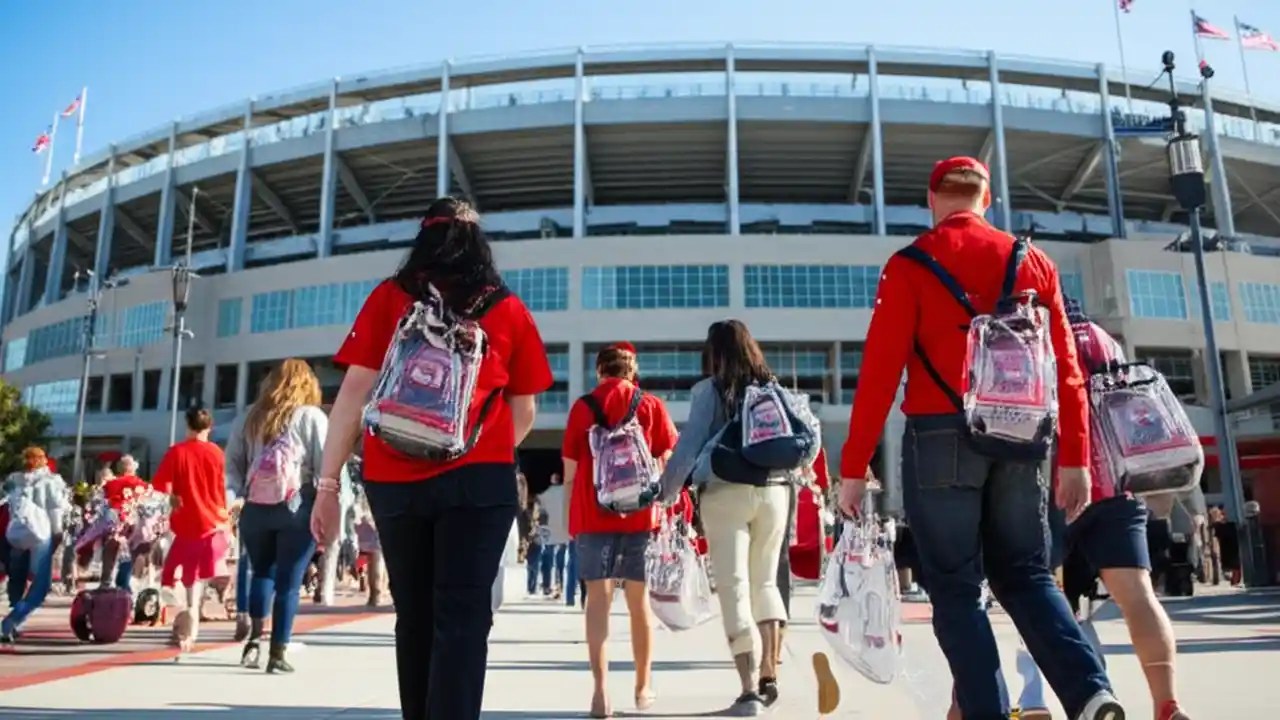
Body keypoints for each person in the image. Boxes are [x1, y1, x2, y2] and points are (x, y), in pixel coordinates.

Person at [838, 157, 1120, 720]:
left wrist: (853, 467)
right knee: (1027, 574)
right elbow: (1066, 367)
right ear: (987, 200)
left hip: (939, 435)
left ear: (932, 199)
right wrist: (1076, 460)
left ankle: (989, 712)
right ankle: (1091, 694)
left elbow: (879, 372)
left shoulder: (910, 265)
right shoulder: (1033, 261)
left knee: (956, 588)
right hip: (1021, 434)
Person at [311, 196, 553, 720]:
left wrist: (328, 486)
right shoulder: (507, 308)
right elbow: (525, 411)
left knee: (414, 616)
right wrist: (477, 446)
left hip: (394, 480)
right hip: (478, 482)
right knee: (463, 618)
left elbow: (352, 396)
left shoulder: (389, 299)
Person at [658, 320, 793, 716]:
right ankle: (771, 672)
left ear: (713, 353)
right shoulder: (774, 389)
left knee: (734, 586)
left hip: (725, 491)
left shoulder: (710, 391)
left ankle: (749, 689)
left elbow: (688, 447)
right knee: (765, 581)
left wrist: (665, 492)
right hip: (775, 490)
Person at [564, 342, 677, 718]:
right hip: (642, 517)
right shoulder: (651, 405)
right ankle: (643, 686)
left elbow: (570, 472)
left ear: (599, 371)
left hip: (593, 516)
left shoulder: (583, 407)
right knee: (638, 603)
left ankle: (600, 694)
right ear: (632, 372)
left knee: (597, 602)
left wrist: (572, 521)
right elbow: (667, 460)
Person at [226, 358, 338, 673]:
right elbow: (325, 463)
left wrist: (234, 499)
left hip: (255, 510)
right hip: (296, 507)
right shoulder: (311, 416)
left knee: (262, 572)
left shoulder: (247, 417)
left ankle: (253, 641)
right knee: (289, 582)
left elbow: (232, 466)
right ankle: (278, 653)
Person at [152, 407, 231, 651]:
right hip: (213, 520)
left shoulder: (177, 452)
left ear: (187, 425)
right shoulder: (217, 453)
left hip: (185, 520)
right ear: (210, 426)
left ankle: (189, 623)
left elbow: (160, 484)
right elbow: (222, 487)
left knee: (186, 576)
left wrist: (174, 496)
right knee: (202, 570)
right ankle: (198, 609)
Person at [1, 447, 70, 643]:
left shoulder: (13, 480)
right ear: (44, 460)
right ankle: (10, 623)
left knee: (17, 579)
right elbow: (56, 513)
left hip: (16, 534)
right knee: (40, 587)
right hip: (42, 535)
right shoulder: (52, 482)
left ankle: (13, 624)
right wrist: (57, 537)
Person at [99, 454, 149, 591]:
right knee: (130, 553)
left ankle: (106, 582)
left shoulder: (110, 485)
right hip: (132, 522)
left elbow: (102, 503)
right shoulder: (141, 484)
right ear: (132, 468)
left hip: (113, 521)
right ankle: (124, 583)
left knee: (109, 552)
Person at [539, 473, 570, 599]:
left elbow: (540, 511)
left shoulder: (544, 493)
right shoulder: (566, 491)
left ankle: (547, 585)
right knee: (561, 559)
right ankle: (560, 584)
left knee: (547, 557)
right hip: (563, 528)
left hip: (548, 530)